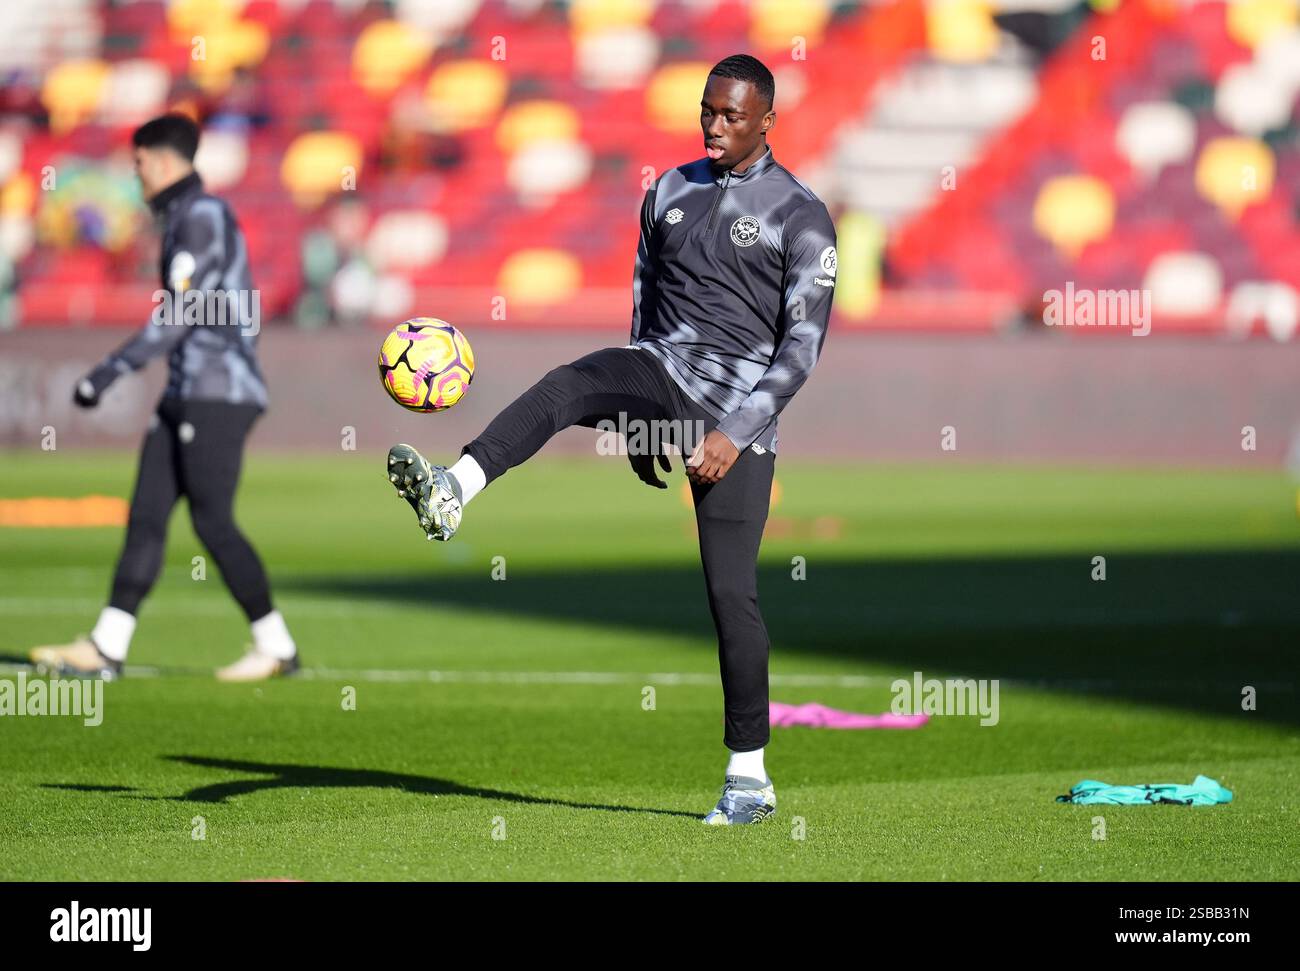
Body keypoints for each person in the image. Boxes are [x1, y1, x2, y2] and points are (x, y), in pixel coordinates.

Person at [385, 54, 836, 824]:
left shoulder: (802, 215)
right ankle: (452, 489)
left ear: (767, 121)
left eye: (733, 115)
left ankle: (750, 778)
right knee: (570, 384)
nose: (715, 125)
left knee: (733, 595)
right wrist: (634, 420)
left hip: (736, 422)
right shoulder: (667, 191)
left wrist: (734, 431)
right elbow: (642, 304)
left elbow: (802, 348)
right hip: (661, 377)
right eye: (707, 110)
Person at [30, 114, 298, 683]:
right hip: (187, 392)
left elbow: (184, 311)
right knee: (147, 516)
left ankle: (276, 646)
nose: (137, 176)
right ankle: (107, 646)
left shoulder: (201, 216)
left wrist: (109, 370)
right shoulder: (188, 215)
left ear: (159, 159)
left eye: (138, 165)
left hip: (217, 393)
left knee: (212, 520)